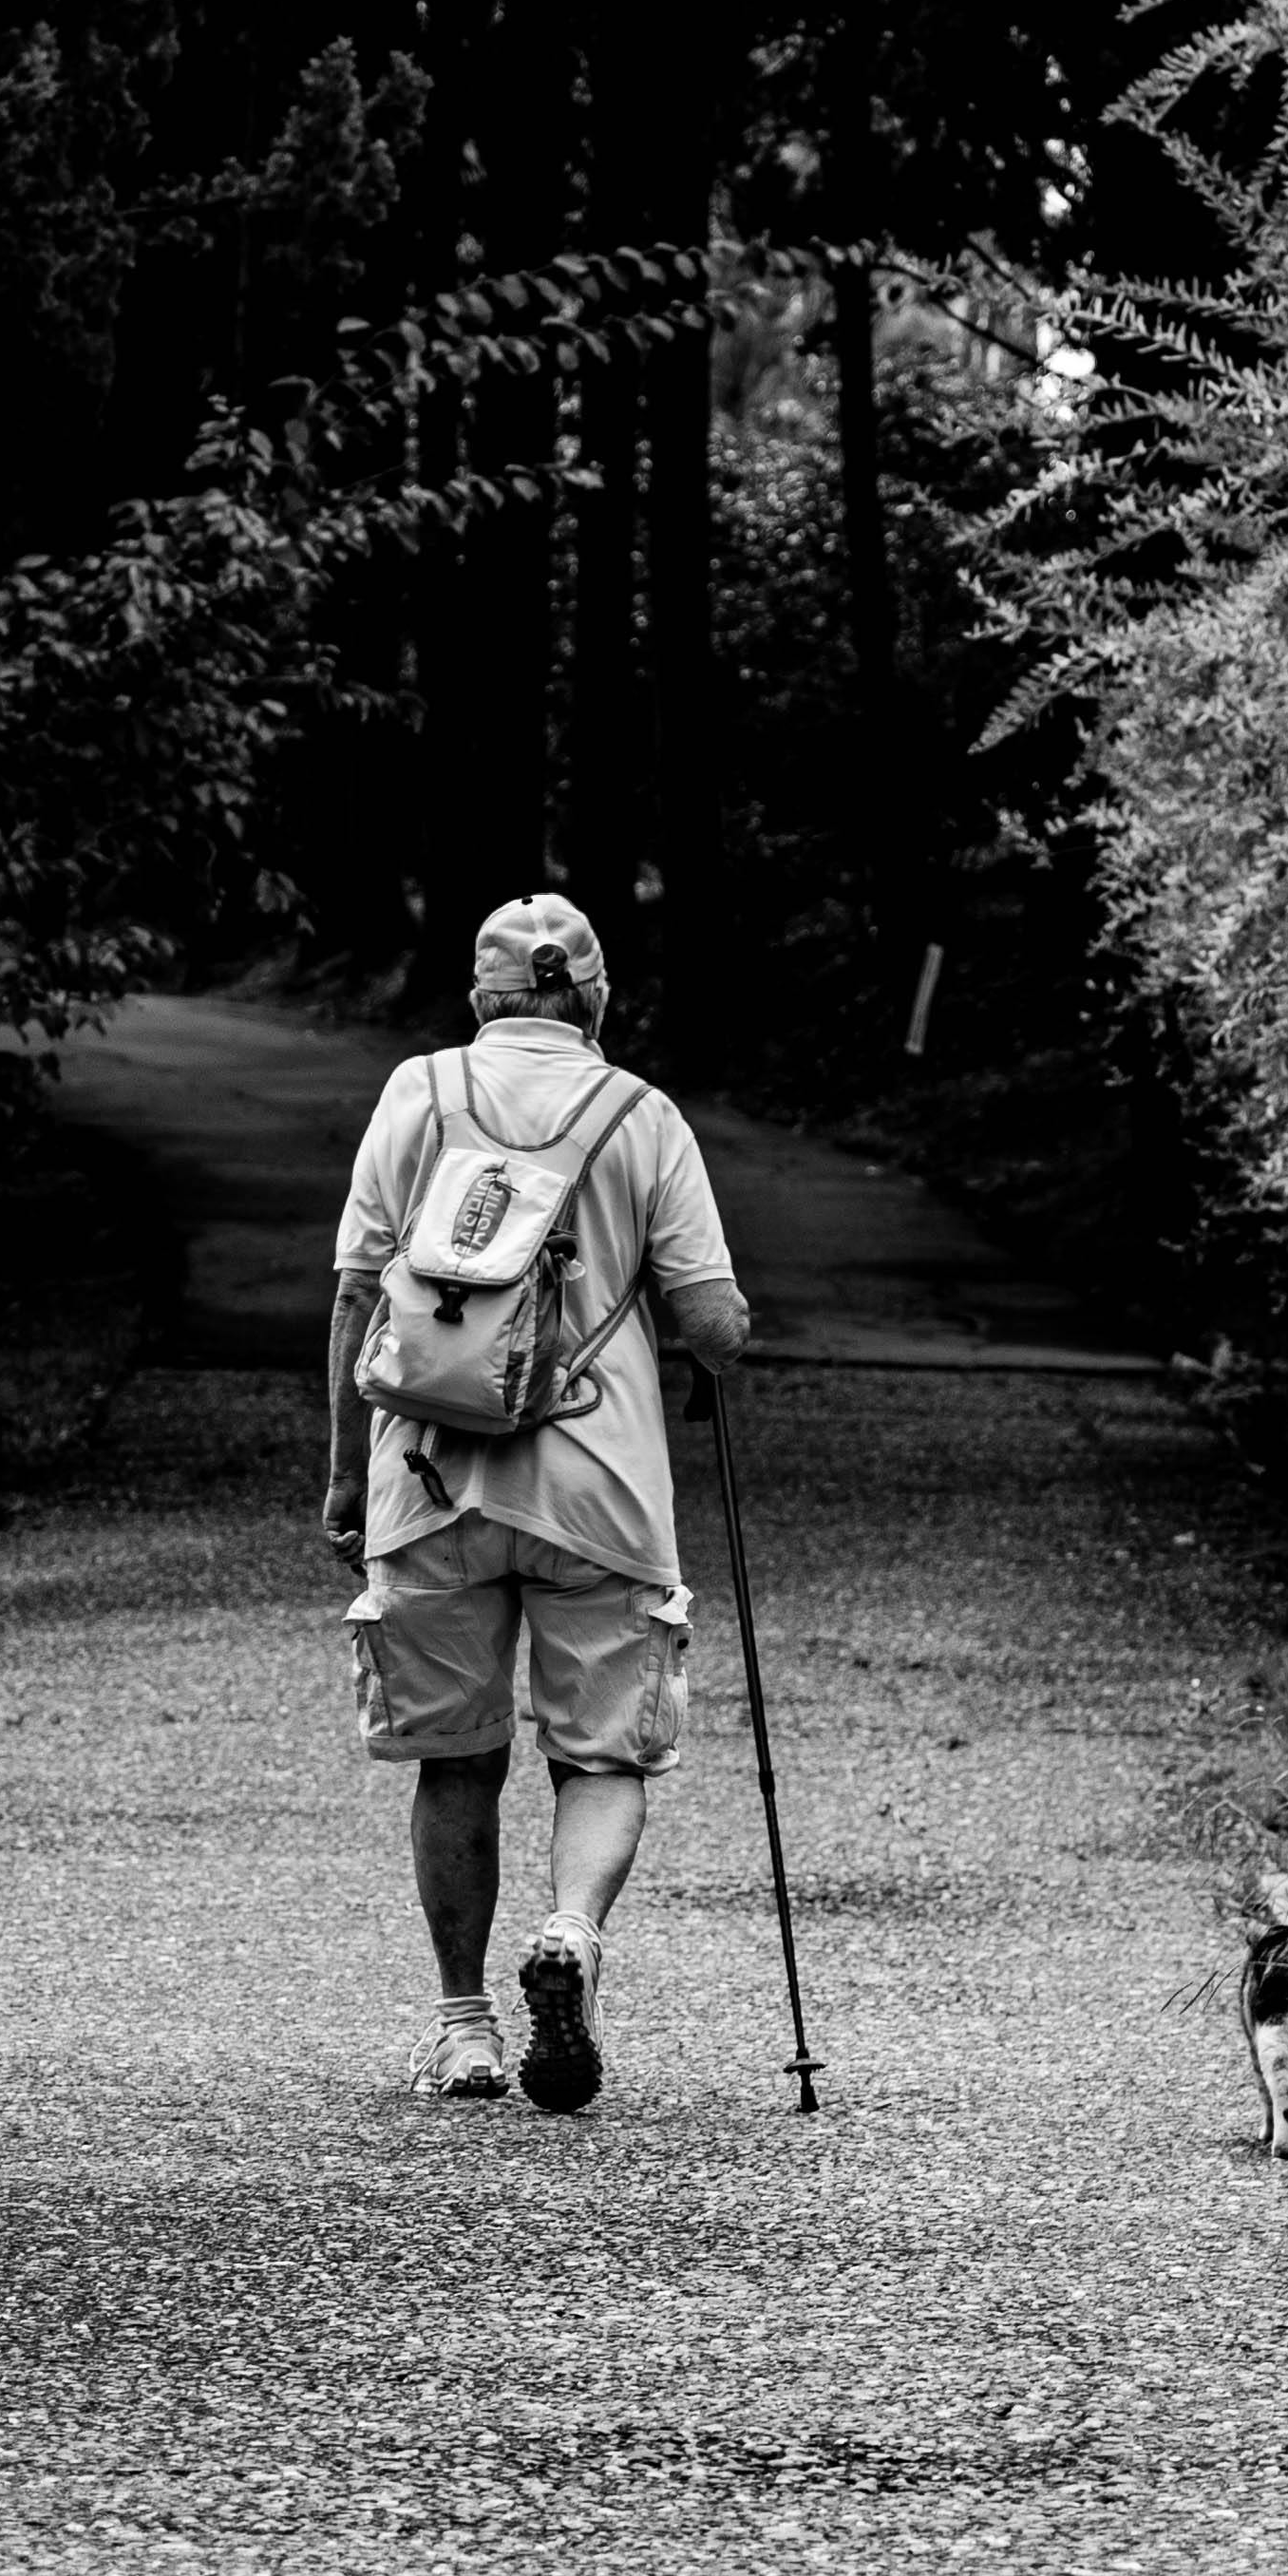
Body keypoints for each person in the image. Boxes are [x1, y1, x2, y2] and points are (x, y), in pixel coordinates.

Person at [326, 890, 750, 2109]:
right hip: (599, 1486)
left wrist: (346, 1475)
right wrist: (722, 1345)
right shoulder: (642, 1113)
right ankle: (567, 1935)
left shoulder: (418, 1091)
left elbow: (358, 1297)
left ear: (480, 1001)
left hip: (430, 1475)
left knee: (455, 1757)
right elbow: (711, 1320)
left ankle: (462, 2029)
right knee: (603, 1748)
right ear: (597, 998)